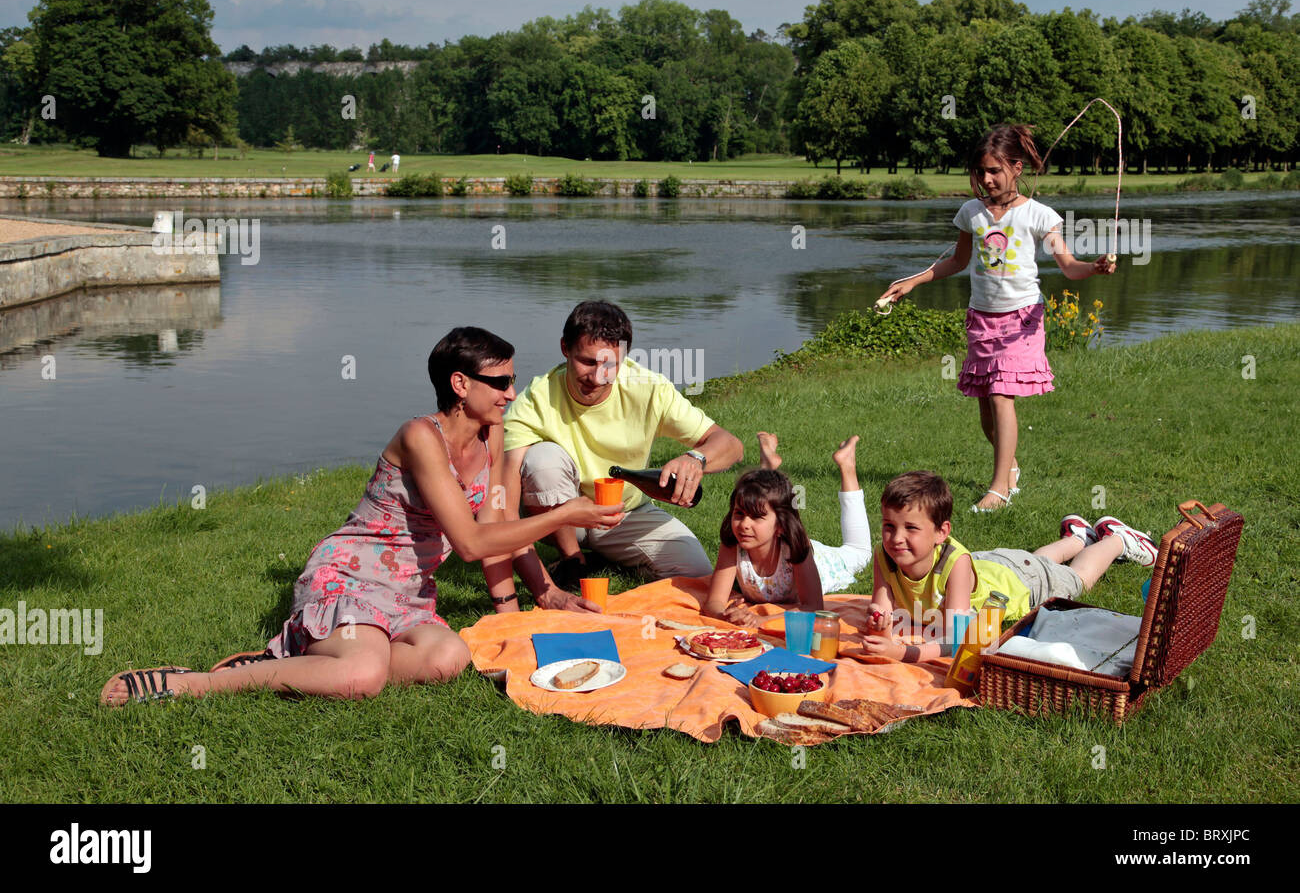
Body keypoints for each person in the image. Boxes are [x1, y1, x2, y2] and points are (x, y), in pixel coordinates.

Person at [100, 327, 623, 706]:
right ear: (460, 384)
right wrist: (569, 512)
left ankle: (304, 665)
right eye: (501, 381)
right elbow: (468, 544)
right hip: (350, 576)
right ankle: (191, 683)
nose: (512, 391)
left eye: (513, 379)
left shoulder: (491, 435)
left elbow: (497, 526)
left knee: (450, 659)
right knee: (363, 676)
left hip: (408, 594)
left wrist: (543, 593)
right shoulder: (421, 436)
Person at [877, 124, 1116, 512]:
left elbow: (1069, 266)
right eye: (980, 171)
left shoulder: (1041, 217)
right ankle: (1012, 469)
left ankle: (998, 490)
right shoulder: (971, 213)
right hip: (982, 319)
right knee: (987, 410)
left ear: (1017, 168)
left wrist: (1095, 267)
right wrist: (912, 282)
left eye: (994, 171)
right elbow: (956, 261)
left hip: (1022, 319)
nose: (985, 179)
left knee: (1003, 395)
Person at [503, 300, 743, 582]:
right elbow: (504, 504)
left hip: (625, 513)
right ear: (565, 348)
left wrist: (696, 459)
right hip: (562, 518)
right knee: (543, 460)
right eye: (587, 362)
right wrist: (523, 592)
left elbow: (731, 445)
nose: (597, 376)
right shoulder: (534, 399)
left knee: (696, 573)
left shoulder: (649, 388)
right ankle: (573, 561)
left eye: (609, 365)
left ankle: (607, 556)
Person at [861, 470, 1156, 663]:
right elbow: (882, 606)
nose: (896, 538)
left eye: (910, 528)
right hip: (996, 567)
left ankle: (1119, 540)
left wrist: (902, 652)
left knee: (1077, 578)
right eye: (888, 526)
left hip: (1017, 583)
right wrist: (881, 623)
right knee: (1039, 562)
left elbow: (955, 642)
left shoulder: (954, 565)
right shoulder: (884, 555)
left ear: (942, 532)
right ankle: (1079, 539)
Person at [702, 433, 871, 627]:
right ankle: (768, 468)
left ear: (781, 526)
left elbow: (812, 606)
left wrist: (762, 620)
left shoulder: (797, 547)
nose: (744, 524)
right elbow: (714, 601)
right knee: (766, 500)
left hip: (825, 561)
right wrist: (722, 615)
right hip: (775, 534)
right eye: (739, 513)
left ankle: (847, 465)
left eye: (756, 517)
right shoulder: (735, 542)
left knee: (860, 551)